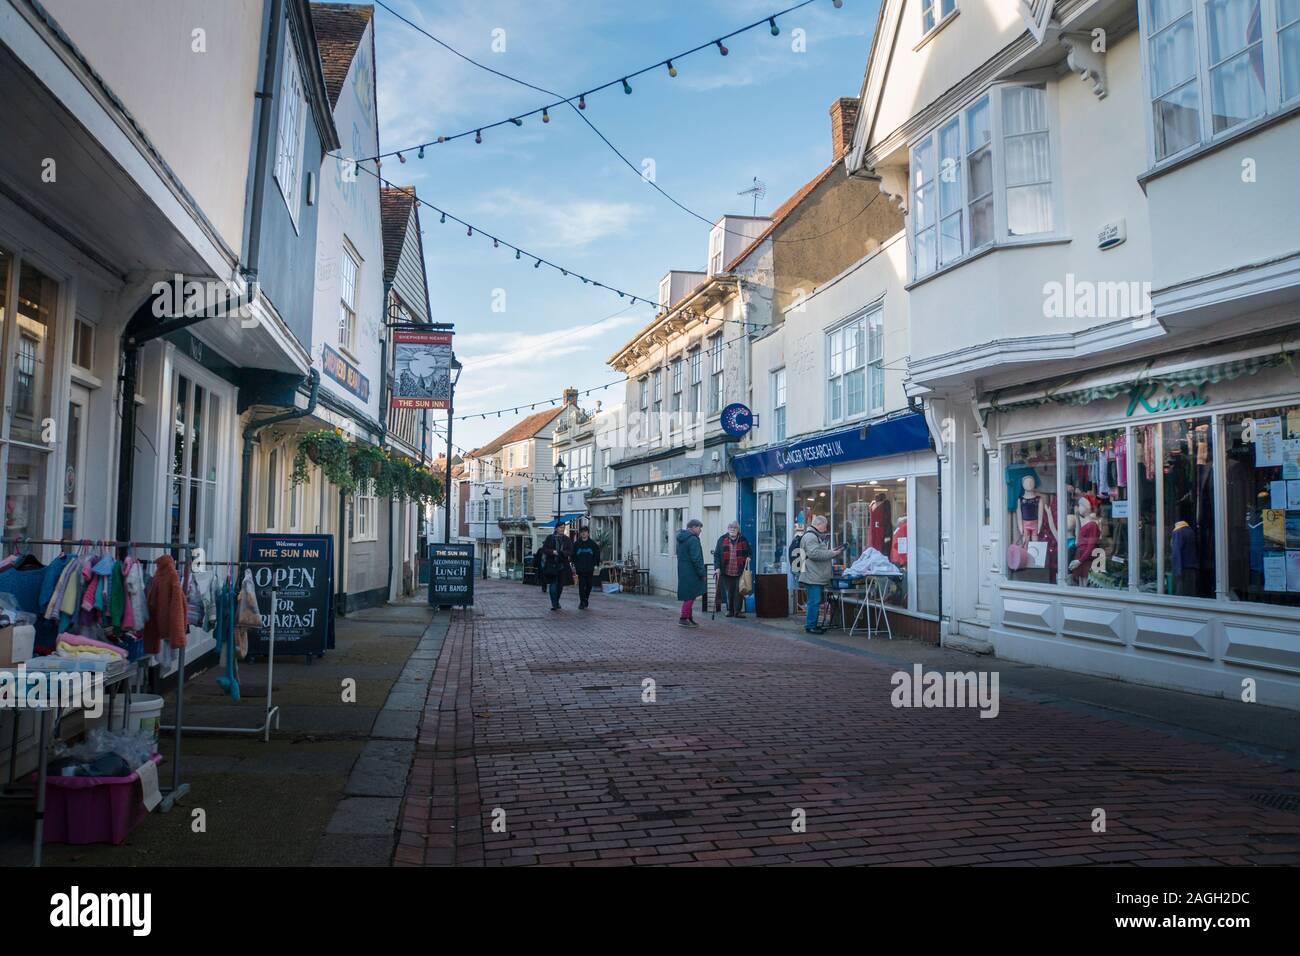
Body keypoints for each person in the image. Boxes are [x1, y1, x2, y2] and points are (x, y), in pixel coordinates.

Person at [797, 515, 842, 634]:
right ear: (819, 524)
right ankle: (811, 626)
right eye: (825, 526)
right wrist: (831, 553)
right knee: (814, 601)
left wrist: (829, 552)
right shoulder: (811, 537)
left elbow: (815, 552)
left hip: (814, 575)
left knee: (814, 601)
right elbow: (814, 554)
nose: (826, 528)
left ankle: (812, 624)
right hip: (812, 575)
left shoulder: (813, 536)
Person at [712, 521, 752, 618]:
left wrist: (749, 557)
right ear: (728, 529)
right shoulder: (722, 539)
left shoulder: (743, 539)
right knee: (729, 591)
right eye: (731, 528)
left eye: (735, 528)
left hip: (739, 570)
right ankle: (730, 610)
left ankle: (737, 612)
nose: (732, 530)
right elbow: (717, 555)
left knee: (739, 591)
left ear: (738, 529)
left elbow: (749, 552)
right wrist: (717, 568)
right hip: (726, 570)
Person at [675, 518, 707, 627]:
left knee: (690, 594)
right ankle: (684, 618)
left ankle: (689, 617)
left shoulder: (681, 538)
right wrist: (702, 573)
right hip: (692, 571)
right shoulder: (693, 539)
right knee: (690, 595)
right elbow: (696, 558)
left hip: (683, 570)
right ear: (693, 527)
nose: (700, 530)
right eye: (699, 528)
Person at [540, 522, 574, 611]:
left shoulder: (567, 539)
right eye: (560, 527)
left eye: (563, 527)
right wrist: (552, 552)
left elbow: (570, 551)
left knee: (560, 586)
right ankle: (554, 603)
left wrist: (563, 553)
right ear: (556, 529)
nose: (562, 529)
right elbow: (544, 549)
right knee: (553, 584)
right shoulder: (550, 538)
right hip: (552, 565)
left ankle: (556, 601)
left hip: (563, 565)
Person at [571, 527, 601, 610]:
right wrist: (574, 564)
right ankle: (582, 602)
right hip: (580, 568)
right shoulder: (576, 544)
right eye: (582, 532)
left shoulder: (592, 544)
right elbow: (573, 555)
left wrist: (596, 564)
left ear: (588, 533)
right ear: (580, 533)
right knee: (581, 585)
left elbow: (597, 554)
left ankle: (586, 598)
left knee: (589, 585)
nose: (584, 533)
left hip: (589, 568)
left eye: (585, 532)